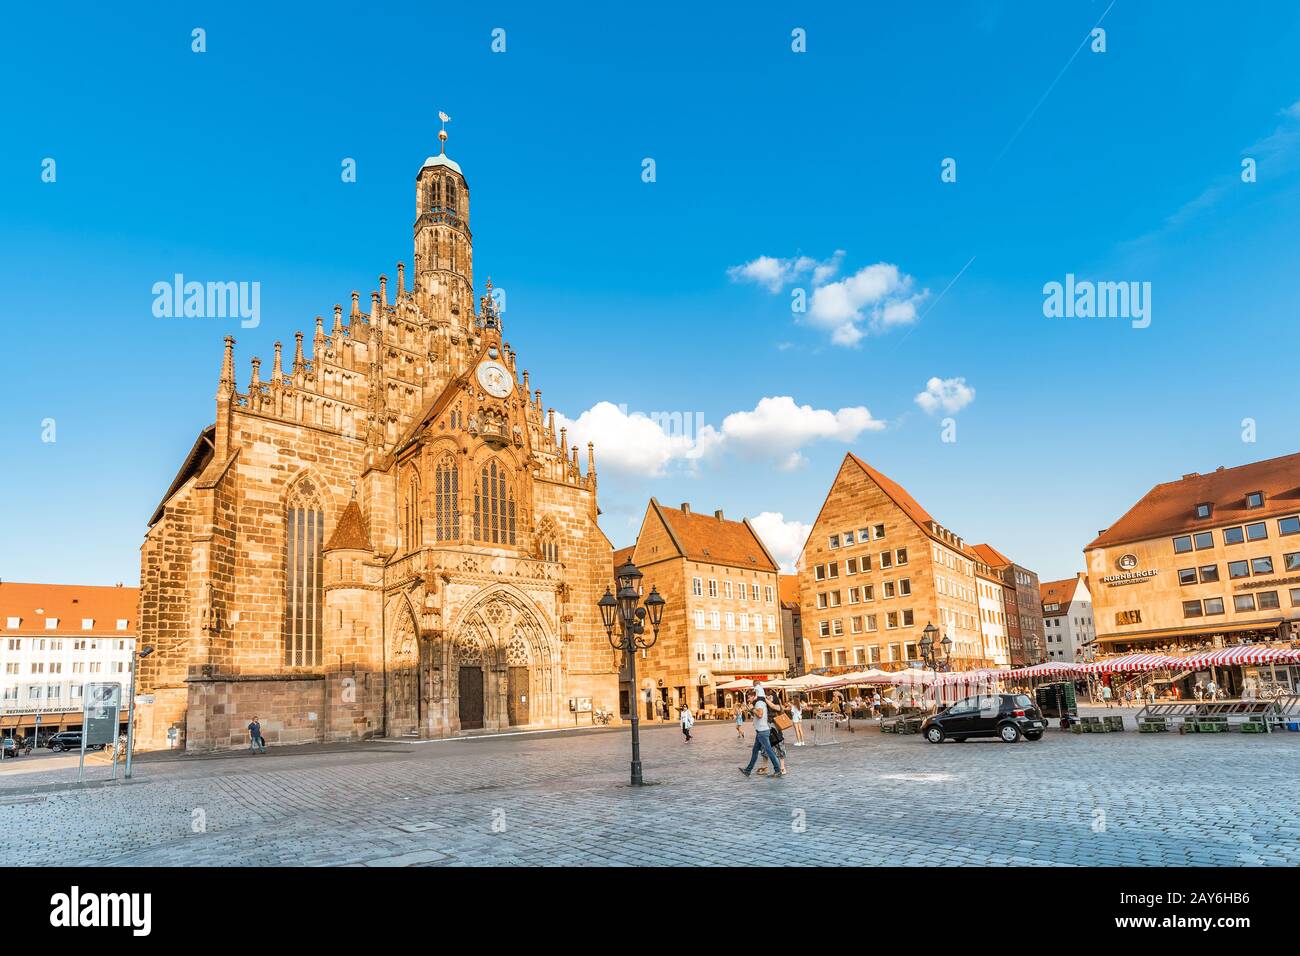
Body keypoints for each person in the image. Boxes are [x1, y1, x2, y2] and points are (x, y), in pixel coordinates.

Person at [739, 690, 785, 779]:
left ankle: (778, 769)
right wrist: (750, 709)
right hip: (762, 730)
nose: (768, 698)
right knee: (756, 751)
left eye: (770, 697)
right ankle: (748, 770)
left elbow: (760, 714)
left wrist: (762, 699)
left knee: (772, 751)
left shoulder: (774, 705)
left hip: (771, 731)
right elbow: (758, 715)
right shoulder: (764, 706)